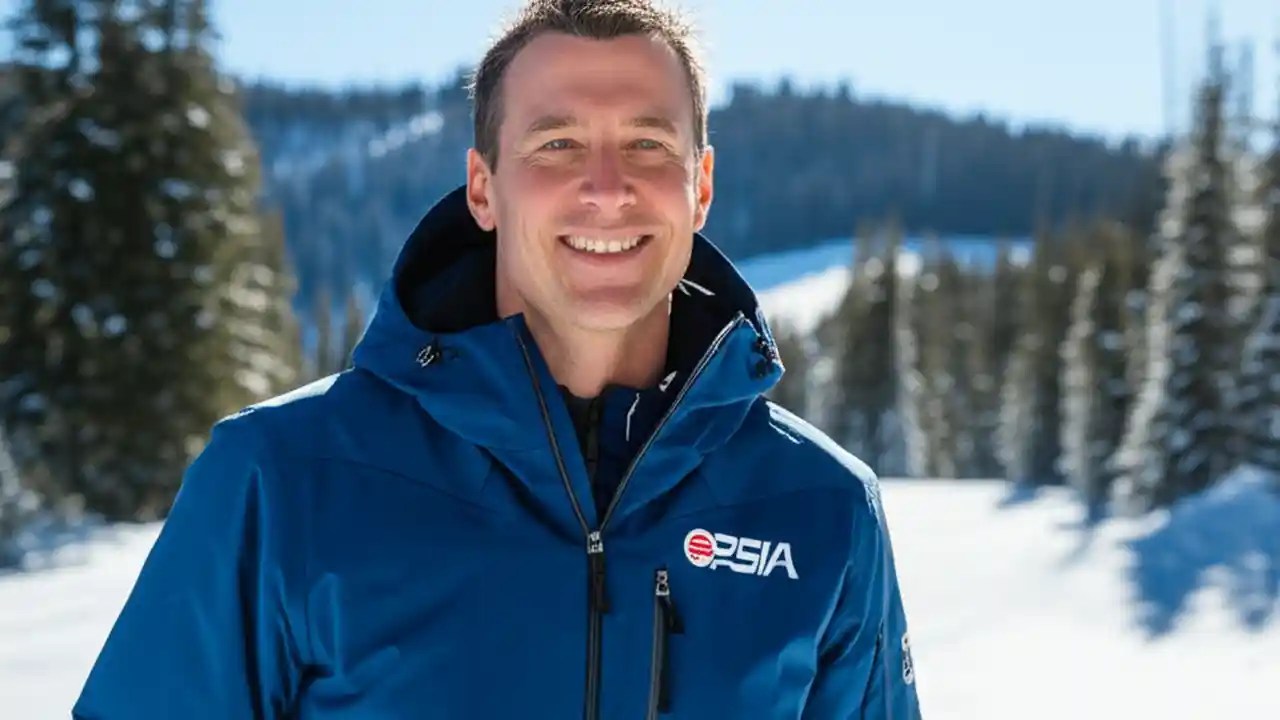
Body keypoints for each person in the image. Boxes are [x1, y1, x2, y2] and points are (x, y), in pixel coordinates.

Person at [73, 0, 923, 717]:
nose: (605, 186)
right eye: (555, 144)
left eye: (647, 144)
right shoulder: (285, 476)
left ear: (699, 186)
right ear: (484, 188)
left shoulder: (820, 506)